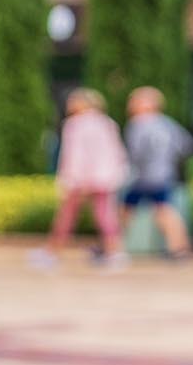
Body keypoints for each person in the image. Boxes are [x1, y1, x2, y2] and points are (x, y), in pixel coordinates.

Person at [34, 89, 127, 269]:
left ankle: (52, 252)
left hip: (80, 179)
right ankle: (115, 252)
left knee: (66, 216)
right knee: (105, 215)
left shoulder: (75, 124)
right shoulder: (107, 123)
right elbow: (117, 152)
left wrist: (72, 179)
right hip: (105, 178)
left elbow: (75, 155)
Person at [122, 86, 193, 261]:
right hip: (164, 174)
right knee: (162, 210)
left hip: (143, 177)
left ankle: (112, 247)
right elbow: (187, 146)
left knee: (136, 210)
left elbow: (136, 153)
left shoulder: (138, 123)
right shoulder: (167, 123)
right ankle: (180, 248)